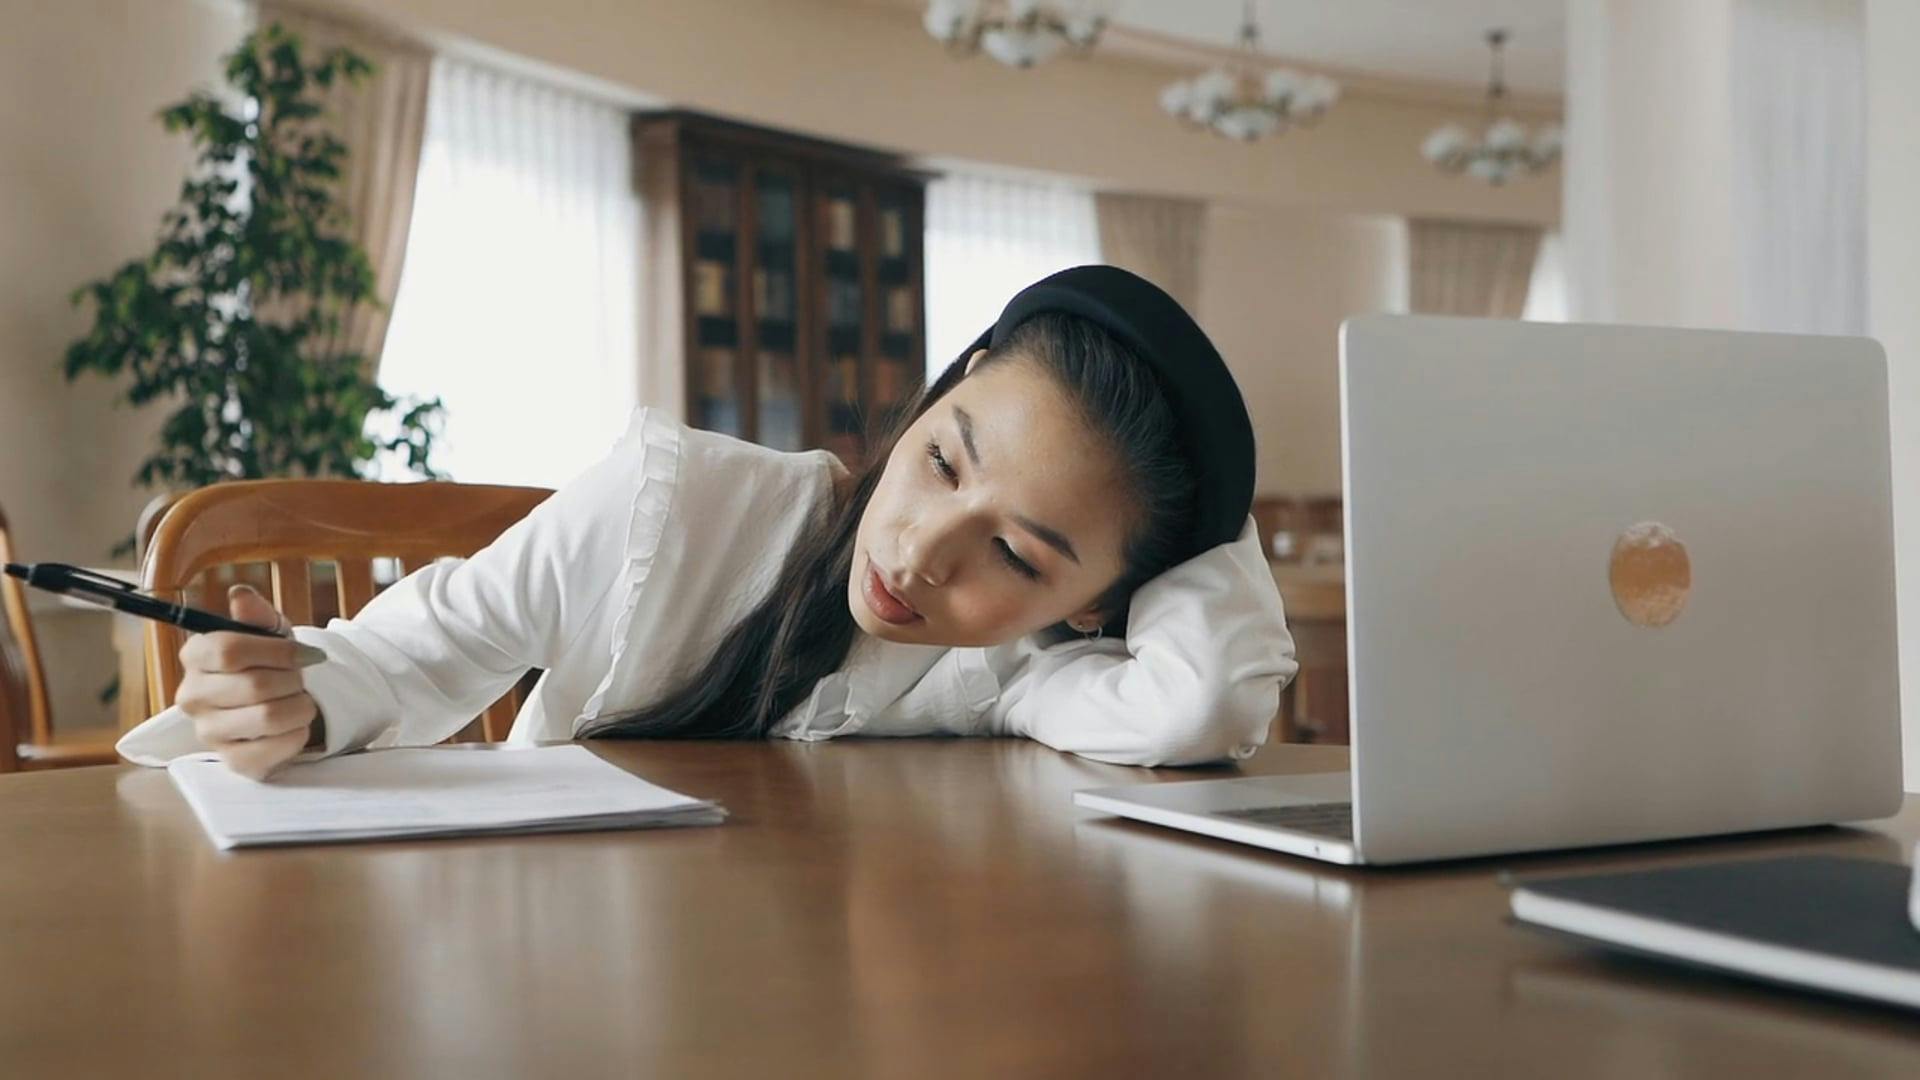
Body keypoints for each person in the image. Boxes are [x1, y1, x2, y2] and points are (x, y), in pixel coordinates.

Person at [118, 265, 1298, 779]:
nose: (919, 552)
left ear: (1093, 606)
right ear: (948, 386)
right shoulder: (674, 507)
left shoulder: (1029, 674)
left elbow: (1202, 700)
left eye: (1013, 554)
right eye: (943, 459)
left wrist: (1207, 509)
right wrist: (291, 696)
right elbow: (402, 658)